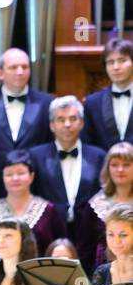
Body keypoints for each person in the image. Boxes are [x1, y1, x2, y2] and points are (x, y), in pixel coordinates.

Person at [0, 47, 55, 199]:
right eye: (13, 67)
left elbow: (50, 147)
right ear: (0, 73)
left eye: (25, 67)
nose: (20, 72)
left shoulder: (47, 102)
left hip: (36, 185)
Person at [28, 95, 105, 238]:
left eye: (73, 119)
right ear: (52, 125)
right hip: (48, 234)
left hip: (89, 235)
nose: (67, 124)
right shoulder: (36, 156)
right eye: (61, 120)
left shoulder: (99, 156)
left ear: (81, 123)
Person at [0, 149, 66, 261]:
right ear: (2, 178)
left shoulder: (48, 210)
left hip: (42, 275)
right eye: (9, 174)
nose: (15, 178)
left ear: (31, 176)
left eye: (21, 173)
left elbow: (61, 248)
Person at [77, 143, 133, 270]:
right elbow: (85, 249)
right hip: (103, 274)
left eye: (126, 165)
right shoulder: (95, 204)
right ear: (107, 168)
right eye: (114, 165)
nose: (120, 169)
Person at [82, 37, 133, 150]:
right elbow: (88, 144)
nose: (116, 67)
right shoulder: (92, 102)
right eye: (110, 62)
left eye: (122, 60)